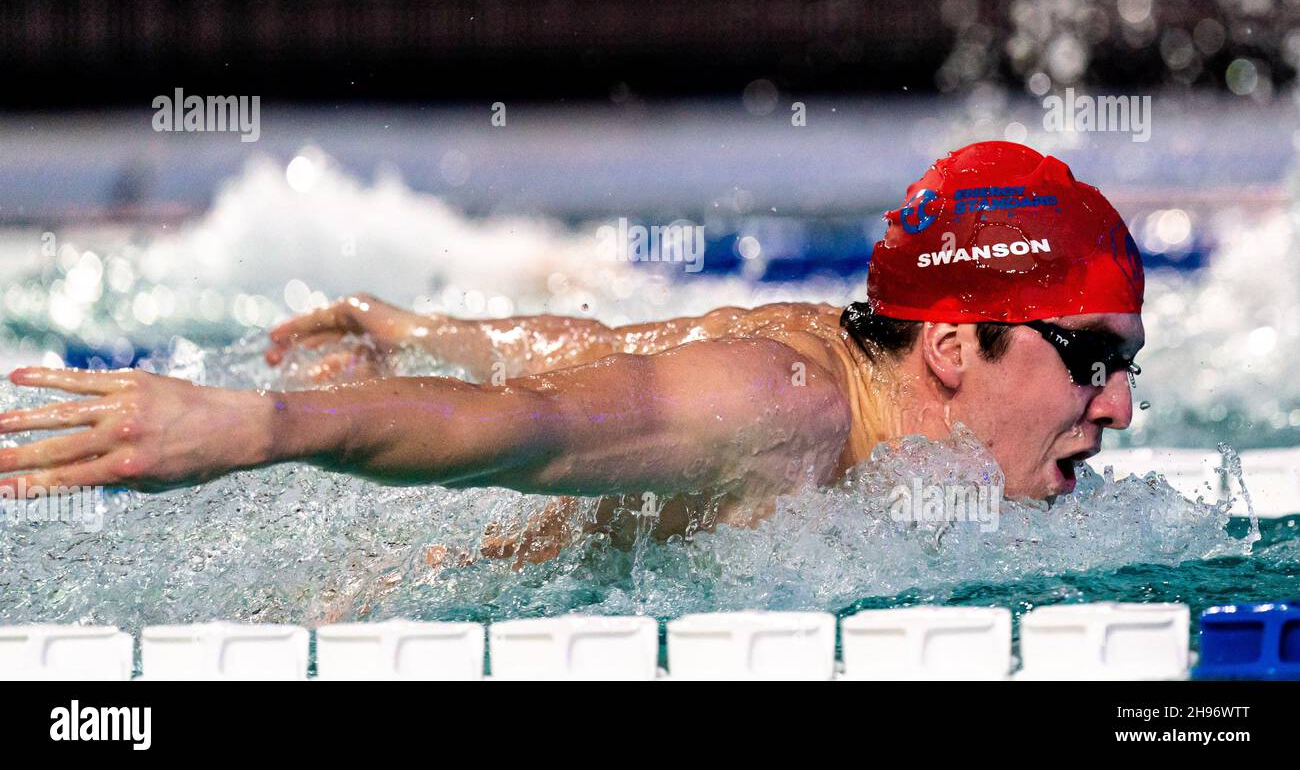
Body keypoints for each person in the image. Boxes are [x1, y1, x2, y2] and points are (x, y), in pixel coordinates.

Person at [0, 141, 1145, 555]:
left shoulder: (827, 354)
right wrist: (254, 424)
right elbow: (533, 429)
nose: (1122, 405)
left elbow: (619, 348)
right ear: (951, 344)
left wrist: (430, 330)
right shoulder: (787, 404)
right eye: (1093, 359)